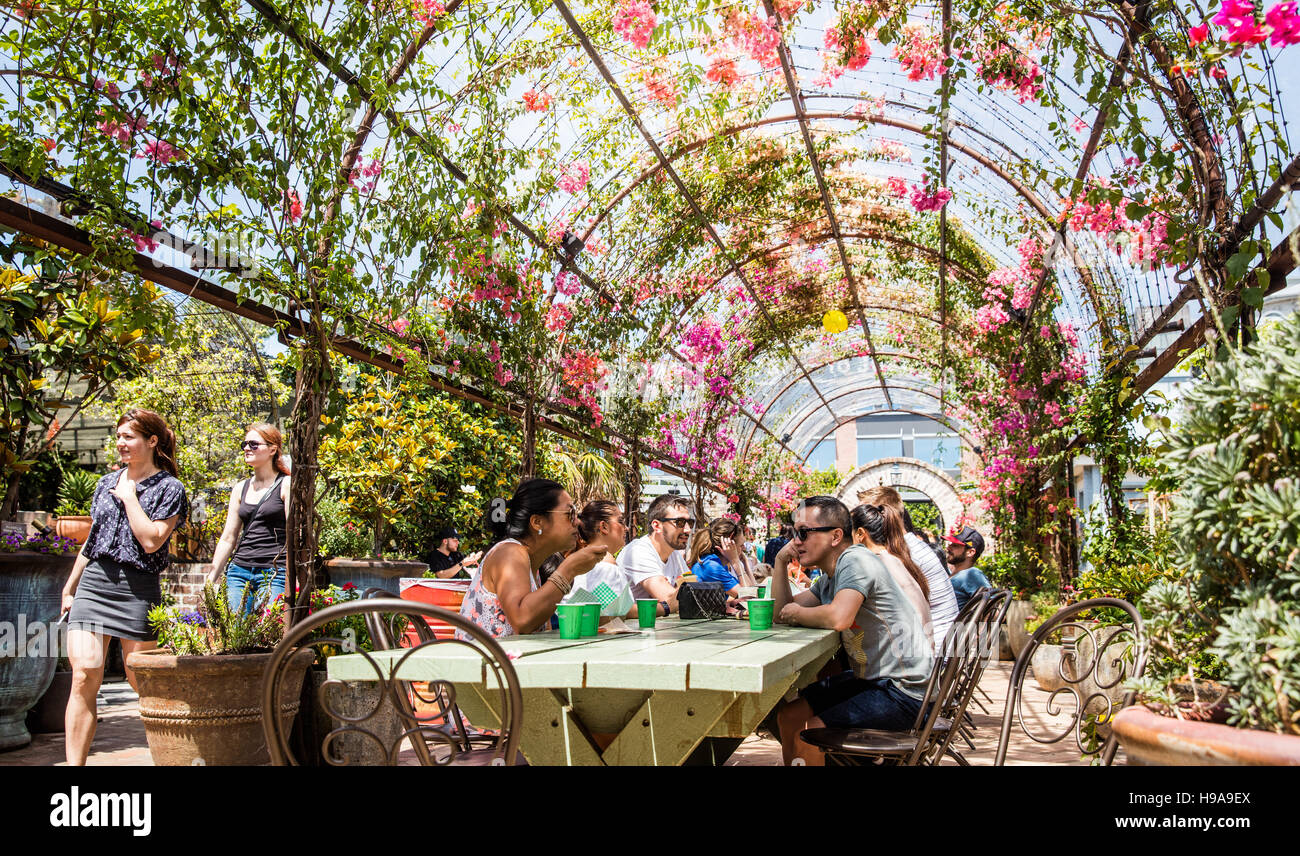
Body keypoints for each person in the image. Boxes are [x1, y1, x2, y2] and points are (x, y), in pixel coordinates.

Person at [61, 409, 188, 766]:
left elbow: (151, 541)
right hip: (95, 584)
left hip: (137, 589)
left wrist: (130, 497)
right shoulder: (105, 482)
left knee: (141, 681)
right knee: (85, 673)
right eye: (118, 437)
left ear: (152, 441)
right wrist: (71, 587)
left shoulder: (169, 488)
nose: (120, 443)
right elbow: (93, 541)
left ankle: (172, 755)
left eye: (128, 437)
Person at [768, 496, 933, 766]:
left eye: (803, 533)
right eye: (793, 533)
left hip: (904, 691)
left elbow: (839, 617)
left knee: (809, 731)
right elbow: (782, 613)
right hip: (874, 681)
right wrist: (779, 564)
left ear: (835, 536)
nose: (796, 541)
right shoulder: (829, 577)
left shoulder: (855, 559)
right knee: (789, 716)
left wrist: (798, 614)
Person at [458, 479, 604, 640]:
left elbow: (540, 628)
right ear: (537, 522)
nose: (578, 522)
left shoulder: (532, 565)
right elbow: (522, 622)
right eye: (570, 514)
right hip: (480, 663)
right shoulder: (509, 552)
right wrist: (568, 570)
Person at [857, 486, 958, 651]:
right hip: (945, 645)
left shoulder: (901, 555)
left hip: (934, 653)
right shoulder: (911, 545)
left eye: (868, 513)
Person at [207, 422, 292, 612]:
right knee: (235, 633)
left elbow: (295, 534)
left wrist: (291, 575)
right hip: (239, 571)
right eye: (244, 444)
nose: (247, 448)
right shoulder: (240, 488)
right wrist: (211, 578)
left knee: (269, 631)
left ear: (272, 449)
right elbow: (228, 538)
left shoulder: (286, 484)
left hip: (273, 572)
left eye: (254, 444)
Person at [850, 503, 932, 651]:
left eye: (846, 531)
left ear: (860, 534)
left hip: (906, 667)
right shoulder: (896, 559)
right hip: (924, 661)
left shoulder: (873, 563)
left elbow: (840, 615)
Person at [616, 493, 693, 617]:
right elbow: (670, 598)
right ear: (657, 526)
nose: (688, 529)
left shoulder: (674, 554)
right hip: (631, 631)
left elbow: (692, 590)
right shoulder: (638, 551)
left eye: (690, 523)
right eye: (680, 522)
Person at [568, 500, 630, 597]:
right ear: (604, 527)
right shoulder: (605, 564)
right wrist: (662, 607)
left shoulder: (582, 560)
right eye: (621, 521)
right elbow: (611, 609)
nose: (626, 528)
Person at [685, 518, 746, 596]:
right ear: (729, 544)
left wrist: (745, 564)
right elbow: (747, 596)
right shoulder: (711, 567)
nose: (744, 548)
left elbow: (752, 592)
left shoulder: (718, 564)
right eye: (741, 545)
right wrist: (735, 561)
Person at [945, 526, 992, 610]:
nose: (948, 548)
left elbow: (993, 611)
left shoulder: (972, 575)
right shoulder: (948, 573)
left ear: (970, 552)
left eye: (955, 545)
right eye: (950, 544)